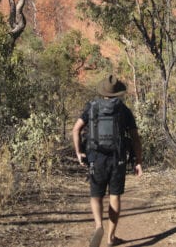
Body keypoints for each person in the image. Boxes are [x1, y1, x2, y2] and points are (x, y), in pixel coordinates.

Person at [73, 74, 143, 247]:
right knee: (114, 196)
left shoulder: (91, 107)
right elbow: (135, 138)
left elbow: (76, 129)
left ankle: (99, 226)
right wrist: (138, 161)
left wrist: (79, 152)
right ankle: (111, 238)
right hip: (117, 159)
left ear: (102, 91)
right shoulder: (124, 110)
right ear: (117, 93)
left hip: (95, 157)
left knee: (96, 195)